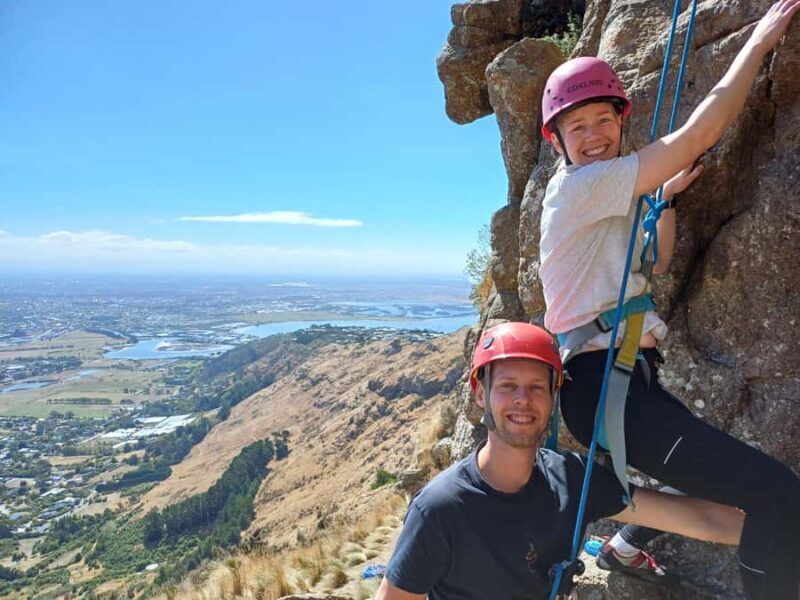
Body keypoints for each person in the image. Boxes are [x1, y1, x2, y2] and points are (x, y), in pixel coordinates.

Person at [538, 1, 800, 598]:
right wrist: (756, 46)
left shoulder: (604, 197)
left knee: (744, 503)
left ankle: (628, 544)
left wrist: (667, 200)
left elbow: (654, 262)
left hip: (624, 383)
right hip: (609, 386)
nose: (595, 135)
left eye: (604, 119)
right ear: (557, 141)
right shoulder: (584, 186)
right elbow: (699, 134)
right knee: (777, 495)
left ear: (619, 121)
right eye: (577, 127)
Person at [376, 322, 744, 600]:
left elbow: (698, 518)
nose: (523, 399)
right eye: (507, 386)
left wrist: (780, 524)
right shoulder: (441, 510)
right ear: (479, 394)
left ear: (554, 397)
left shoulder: (571, 479)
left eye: (537, 386)